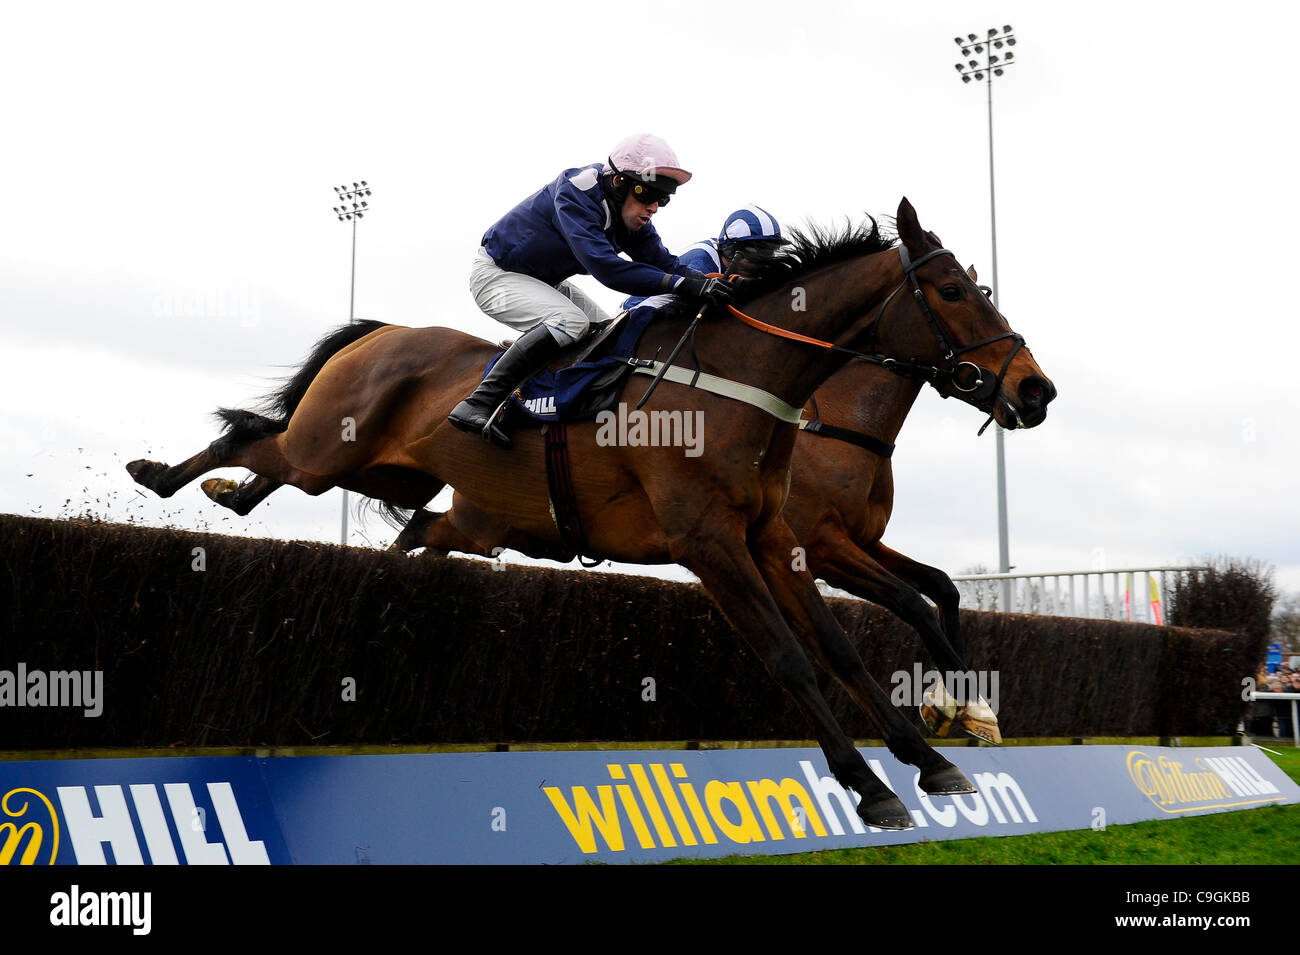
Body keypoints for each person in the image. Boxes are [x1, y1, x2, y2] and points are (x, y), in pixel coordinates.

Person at [449, 133, 737, 448]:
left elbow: (664, 263)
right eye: (649, 194)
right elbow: (606, 268)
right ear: (619, 183)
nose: (654, 207)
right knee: (570, 322)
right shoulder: (577, 193)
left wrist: (714, 283)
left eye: (662, 198)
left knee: (610, 334)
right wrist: (681, 285)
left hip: (541, 281)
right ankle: (479, 402)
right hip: (497, 275)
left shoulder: (628, 215)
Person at [622, 204, 787, 311]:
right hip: (638, 306)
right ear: (730, 249)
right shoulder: (702, 259)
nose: (760, 264)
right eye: (755, 254)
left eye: (768, 254)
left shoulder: (742, 265)